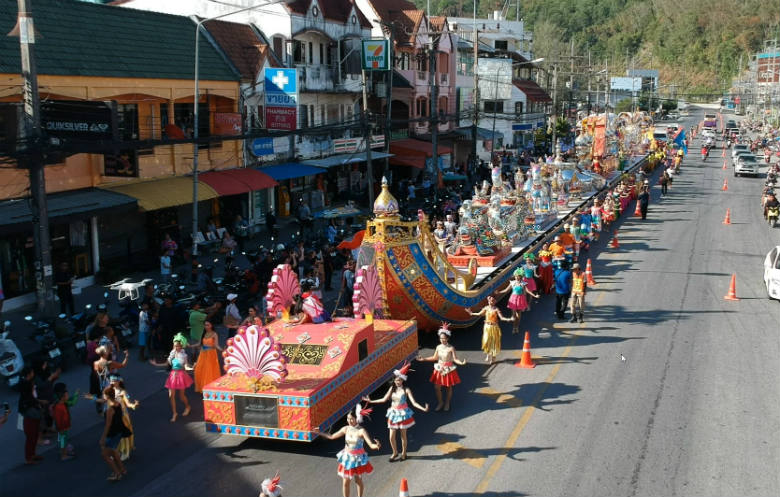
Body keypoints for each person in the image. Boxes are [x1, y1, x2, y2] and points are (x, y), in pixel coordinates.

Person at [362, 362, 428, 462]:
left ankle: (404, 453)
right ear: (394, 380)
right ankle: (395, 452)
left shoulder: (406, 390)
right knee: (391, 436)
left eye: (400, 380)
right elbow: (384, 399)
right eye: (396, 380)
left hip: (403, 415)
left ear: (402, 380)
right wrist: (371, 401)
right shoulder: (391, 389)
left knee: (403, 435)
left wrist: (423, 408)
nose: (398, 382)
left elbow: (414, 403)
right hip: (393, 414)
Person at [313, 404, 381, 497]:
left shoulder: (361, 431)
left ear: (357, 418)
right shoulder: (346, 429)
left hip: (357, 459)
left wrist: (377, 445)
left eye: (351, 418)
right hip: (347, 458)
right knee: (345, 482)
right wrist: (319, 433)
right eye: (348, 418)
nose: (349, 421)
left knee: (358, 480)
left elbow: (370, 445)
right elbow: (332, 436)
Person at [416, 323, 466, 411]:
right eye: (441, 338)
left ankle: (447, 403)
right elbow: (434, 357)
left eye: (444, 338)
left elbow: (455, 359)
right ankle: (440, 402)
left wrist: (461, 363)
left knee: (448, 387)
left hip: (448, 369)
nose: (442, 340)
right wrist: (424, 359)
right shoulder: (438, 347)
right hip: (439, 368)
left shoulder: (451, 348)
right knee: (437, 387)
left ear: (447, 338)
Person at [466, 295, 512, 364]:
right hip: (487, 327)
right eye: (490, 300)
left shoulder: (496, 309)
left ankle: (493, 357)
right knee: (487, 340)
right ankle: (488, 354)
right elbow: (479, 314)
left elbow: (502, 318)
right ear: (488, 301)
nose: (491, 301)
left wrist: (508, 319)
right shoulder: (486, 308)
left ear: (495, 302)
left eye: (493, 300)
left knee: (493, 342)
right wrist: (471, 313)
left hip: (494, 327)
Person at [98, 386, 130, 481]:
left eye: (104, 394)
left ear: (107, 396)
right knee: (114, 451)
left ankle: (117, 473)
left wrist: (103, 438)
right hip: (119, 432)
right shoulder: (118, 404)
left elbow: (108, 425)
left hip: (112, 434)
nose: (103, 395)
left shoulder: (110, 410)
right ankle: (122, 469)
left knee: (105, 455)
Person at [89, 346, 128, 415]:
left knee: (106, 400)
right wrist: (126, 356)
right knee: (116, 398)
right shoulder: (109, 363)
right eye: (107, 351)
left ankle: (106, 412)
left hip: (101, 384)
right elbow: (122, 365)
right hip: (108, 383)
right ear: (105, 353)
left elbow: (96, 375)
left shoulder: (95, 363)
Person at [499, 269, 540, 335]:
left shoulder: (523, 283)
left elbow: (528, 291)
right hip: (513, 299)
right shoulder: (512, 283)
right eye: (516, 277)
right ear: (514, 276)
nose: (517, 278)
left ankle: (516, 327)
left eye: (518, 277)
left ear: (521, 277)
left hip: (521, 299)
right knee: (514, 315)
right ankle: (514, 326)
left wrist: (535, 296)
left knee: (518, 316)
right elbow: (505, 290)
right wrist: (498, 292)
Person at [164, 333, 192, 422]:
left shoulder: (184, 355)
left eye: (178, 346)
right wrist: (155, 363)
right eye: (175, 346)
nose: (176, 347)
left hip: (181, 375)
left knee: (181, 396)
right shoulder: (172, 353)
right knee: (171, 395)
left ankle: (188, 407)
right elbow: (167, 363)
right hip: (173, 375)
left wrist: (191, 367)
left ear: (181, 346)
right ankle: (174, 413)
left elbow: (186, 366)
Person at [18, 367, 44, 464]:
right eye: (32, 372)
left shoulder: (26, 383)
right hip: (29, 411)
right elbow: (30, 398)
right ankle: (29, 457)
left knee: (34, 434)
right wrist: (39, 403)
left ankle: (32, 454)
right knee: (31, 435)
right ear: (29, 374)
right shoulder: (26, 384)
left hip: (30, 409)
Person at [110, 375, 138, 462]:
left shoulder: (123, 392)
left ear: (118, 382)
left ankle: (125, 453)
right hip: (114, 416)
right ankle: (117, 451)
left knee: (123, 435)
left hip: (122, 416)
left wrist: (134, 405)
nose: (112, 382)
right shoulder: (110, 391)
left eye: (114, 380)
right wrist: (94, 398)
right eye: (111, 380)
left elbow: (128, 404)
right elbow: (105, 400)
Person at [52, 382, 78, 461]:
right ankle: (64, 455)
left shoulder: (61, 403)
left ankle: (63, 451)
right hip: (62, 428)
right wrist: (61, 428)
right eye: (66, 395)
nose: (68, 396)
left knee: (62, 440)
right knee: (63, 441)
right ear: (62, 397)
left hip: (63, 428)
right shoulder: (59, 407)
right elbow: (58, 419)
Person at [194, 321, 223, 392]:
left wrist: (223, 350)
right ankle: (203, 387)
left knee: (209, 371)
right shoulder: (204, 333)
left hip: (211, 354)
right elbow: (199, 343)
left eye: (207, 325)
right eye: (205, 325)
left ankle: (209, 389)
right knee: (199, 369)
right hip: (203, 354)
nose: (206, 326)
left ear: (211, 325)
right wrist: (190, 345)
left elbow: (216, 345)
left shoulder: (214, 334)